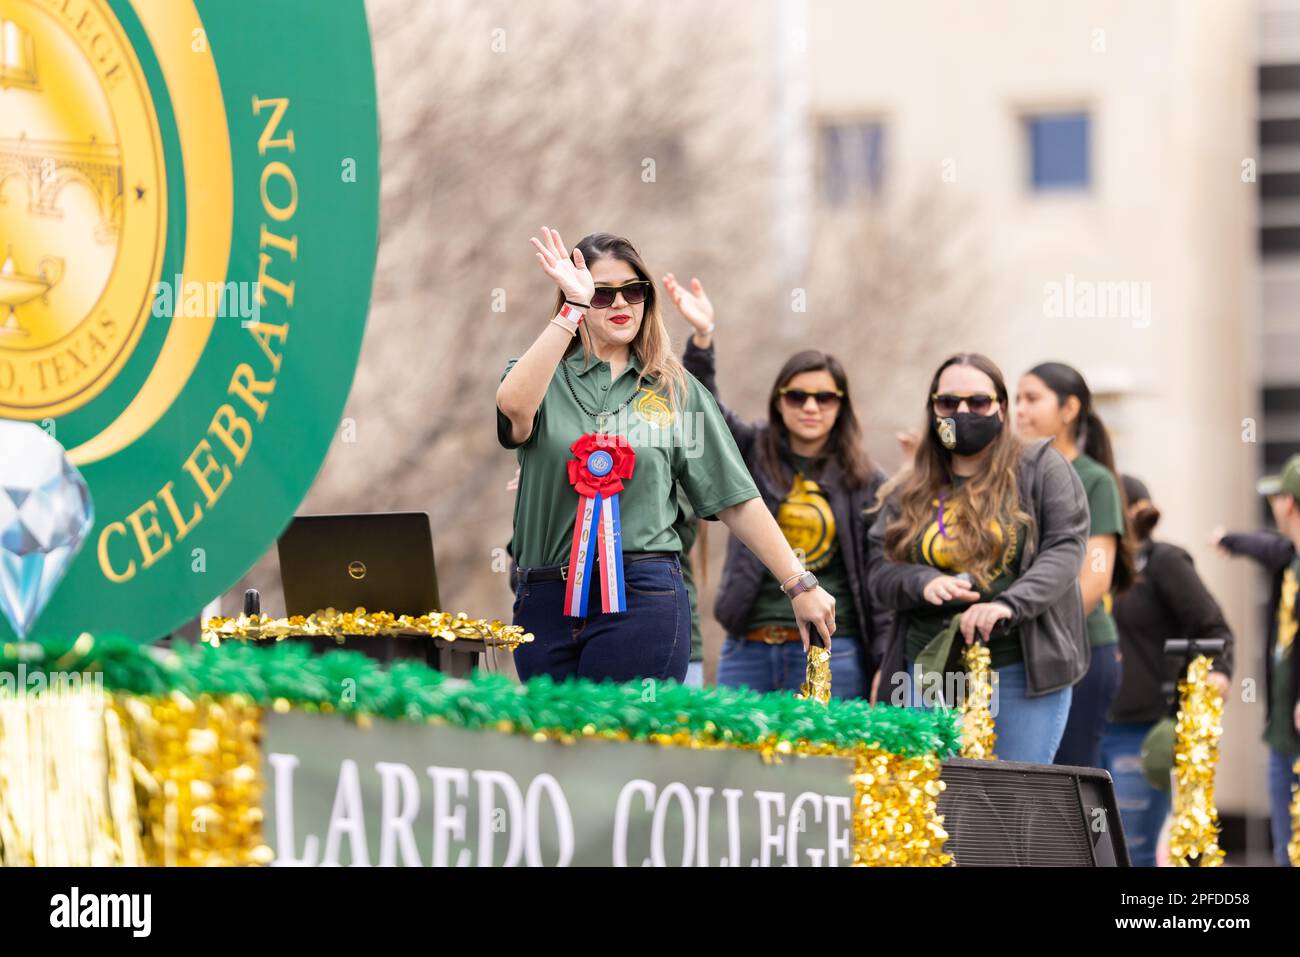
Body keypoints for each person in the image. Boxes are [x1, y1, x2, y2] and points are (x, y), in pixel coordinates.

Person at [496, 228, 836, 684]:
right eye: (603, 294)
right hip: (544, 596)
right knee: (554, 749)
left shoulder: (676, 389)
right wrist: (572, 310)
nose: (621, 304)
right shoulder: (539, 374)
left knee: (623, 747)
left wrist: (798, 582)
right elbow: (514, 410)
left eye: (633, 291)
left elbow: (734, 496)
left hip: (641, 595)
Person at [665, 273, 891, 698]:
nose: (810, 406)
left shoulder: (866, 480)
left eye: (824, 397)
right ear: (778, 401)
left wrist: (882, 661)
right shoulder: (750, 450)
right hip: (747, 645)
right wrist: (702, 338)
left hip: (832, 650)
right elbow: (702, 406)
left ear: (841, 406)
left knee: (822, 764)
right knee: (737, 763)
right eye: (796, 395)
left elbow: (876, 581)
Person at [868, 353, 1089, 763]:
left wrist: (1008, 603)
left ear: (1001, 408)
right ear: (933, 408)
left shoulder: (1041, 468)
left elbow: (1065, 549)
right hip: (928, 669)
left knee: (1010, 806)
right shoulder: (908, 487)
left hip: (1019, 669)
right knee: (931, 806)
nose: (963, 412)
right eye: (948, 403)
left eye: (978, 402)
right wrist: (923, 582)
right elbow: (879, 572)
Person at [1106, 474, 1233, 866]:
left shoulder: (1165, 562)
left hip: (1142, 727)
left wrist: (1219, 671)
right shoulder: (1091, 566)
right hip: (1091, 721)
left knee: (1134, 847)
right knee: (1091, 847)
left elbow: (1214, 629)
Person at [1015, 361, 1135, 769]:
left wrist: (1033, 626)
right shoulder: (1009, 476)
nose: (1019, 410)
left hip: (1080, 648)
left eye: (1032, 399)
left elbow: (1096, 577)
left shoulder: (1093, 479)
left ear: (1069, 409)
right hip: (1022, 650)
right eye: (1016, 399)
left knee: (1073, 779)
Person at [1212, 453, 1300, 866]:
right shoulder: (1288, 558)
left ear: (1289, 502)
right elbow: (1265, 545)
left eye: (1276, 499)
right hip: (1282, 735)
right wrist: (1230, 540)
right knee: (1286, 851)